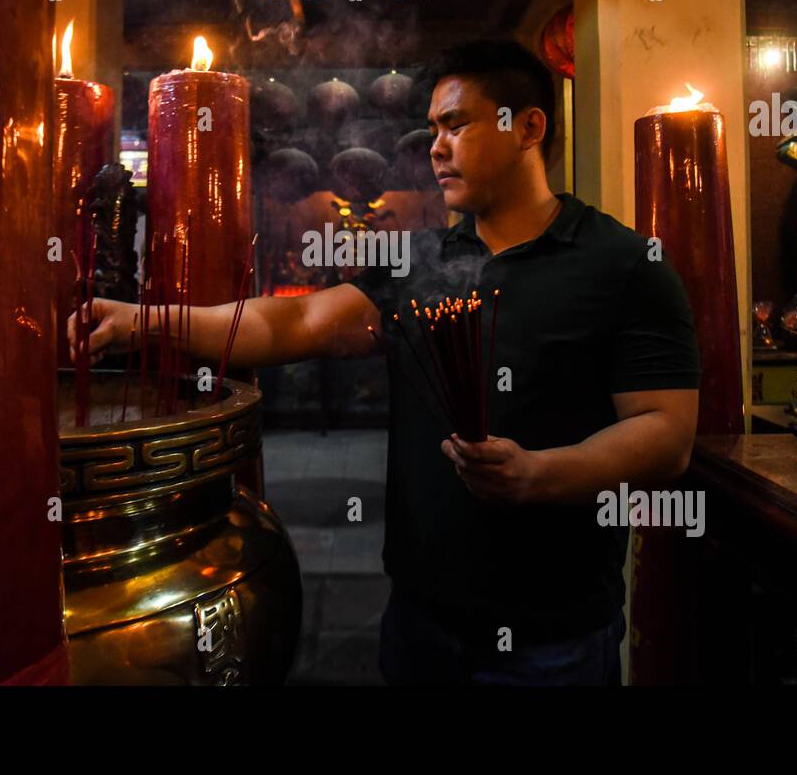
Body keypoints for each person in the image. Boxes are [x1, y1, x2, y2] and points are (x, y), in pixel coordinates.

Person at [70, 39, 701, 685]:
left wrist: (537, 474)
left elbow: (666, 434)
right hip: (419, 625)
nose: (435, 147)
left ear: (527, 128)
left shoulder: (622, 266)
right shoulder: (418, 263)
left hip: (552, 640)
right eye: (431, 128)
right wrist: (141, 320)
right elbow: (297, 320)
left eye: (456, 124)